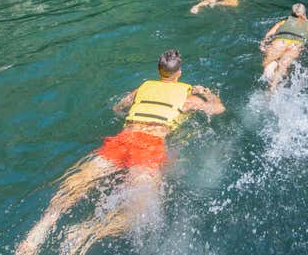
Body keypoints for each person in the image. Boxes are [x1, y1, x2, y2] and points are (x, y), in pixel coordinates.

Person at [16, 50, 225, 255]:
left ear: (158, 71)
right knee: (138, 215)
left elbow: (118, 108)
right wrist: (208, 94)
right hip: (149, 147)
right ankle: (84, 232)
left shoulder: (142, 89)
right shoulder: (188, 99)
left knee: (74, 187)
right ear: (179, 73)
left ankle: (38, 232)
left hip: (122, 140)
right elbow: (218, 110)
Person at [260, 3, 308, 90]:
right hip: (295, 45)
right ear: (304, 14)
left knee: (267, 63)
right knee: (282, 68)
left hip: (281, 42)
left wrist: (263, 44)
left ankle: (271, 74)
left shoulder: (283, 22)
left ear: (291, 13)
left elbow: (269, 34)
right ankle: (273, 86)